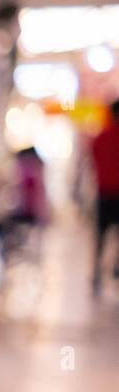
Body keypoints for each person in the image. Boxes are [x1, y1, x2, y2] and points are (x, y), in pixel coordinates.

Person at [89, 99, 119, 295]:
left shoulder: (101, 137)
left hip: (103, 193)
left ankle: (97, 274)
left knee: (100, 237)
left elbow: (93, 161)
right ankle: (116, 269)